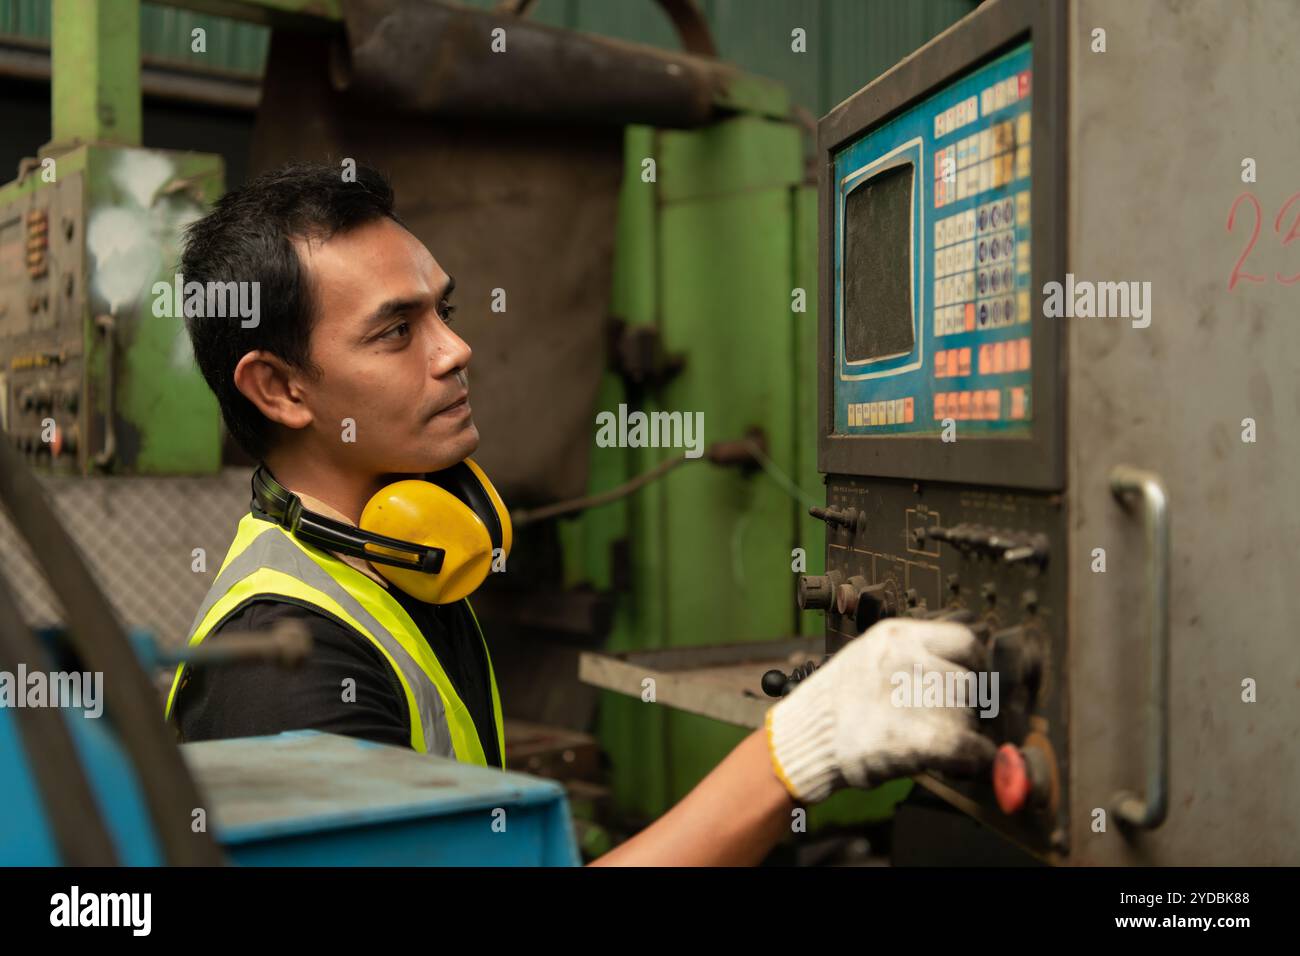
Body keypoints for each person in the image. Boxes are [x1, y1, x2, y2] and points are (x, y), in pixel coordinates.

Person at [167, 162, 995, 865]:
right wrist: (794, 757)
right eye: (395, 331)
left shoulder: (394, 563)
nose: (455, 351)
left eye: (442, 313)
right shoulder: (283, 676)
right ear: (278, 388)